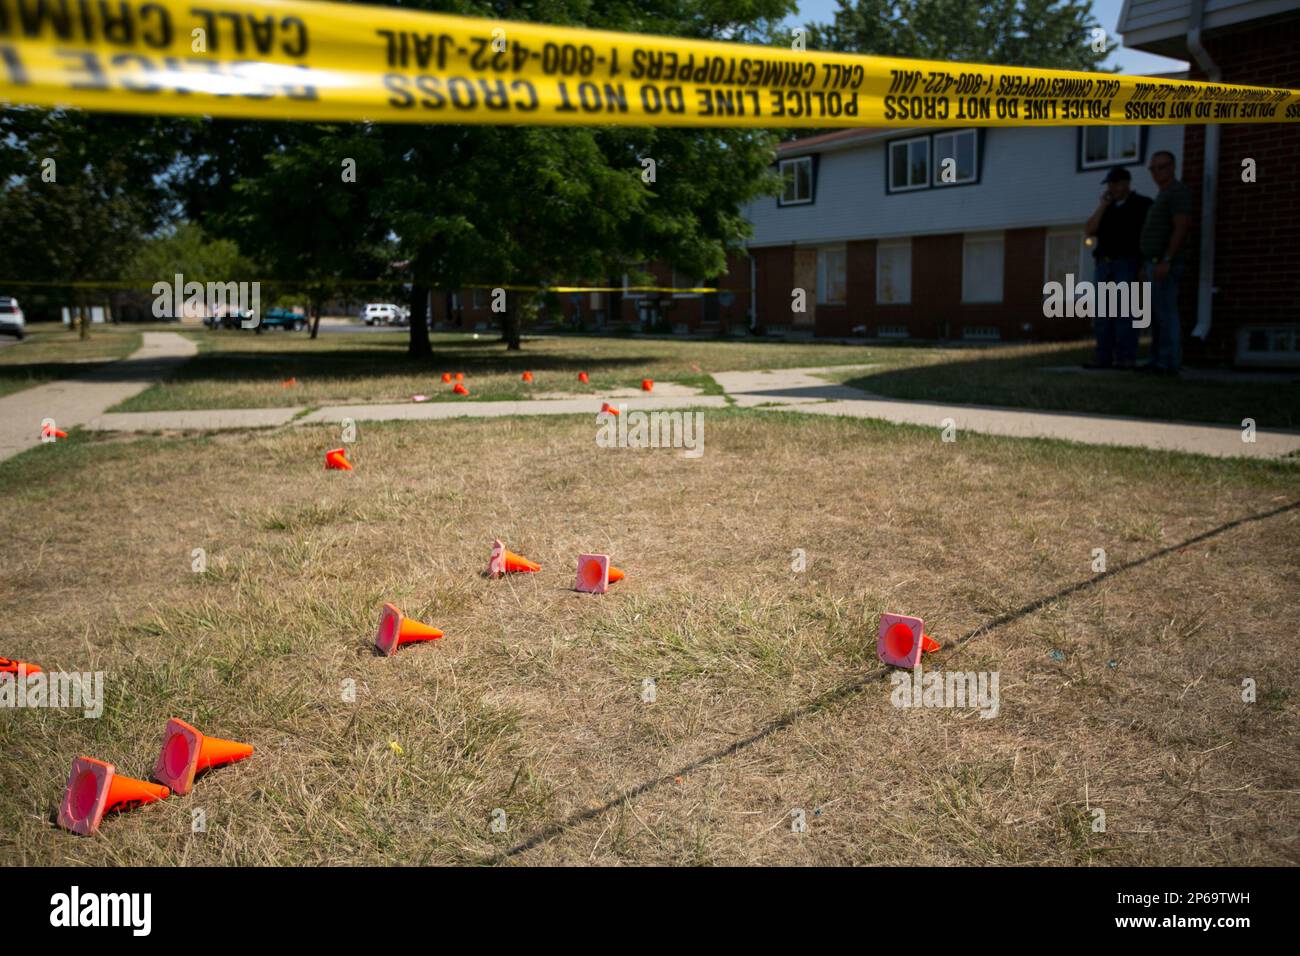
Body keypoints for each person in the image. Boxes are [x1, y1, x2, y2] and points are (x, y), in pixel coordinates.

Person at [1084, 166, 1151, 369]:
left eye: (1115, 184)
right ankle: (1103, 358)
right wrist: (1103, 206)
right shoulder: (1108, 207)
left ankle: (1125, 358)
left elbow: (1150, 237)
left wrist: (1144, 265)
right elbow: (1089, 230)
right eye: (1109, 185)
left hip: (1127, 262)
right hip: (1104, 263)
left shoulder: (1142, 204)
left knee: (1124, 312)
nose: (1111, 188)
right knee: (1102, 314)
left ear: (1126, 183)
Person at [1139, 150, 1195, 374]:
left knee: (1166, 313)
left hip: (1165, 263)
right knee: (1156, 315)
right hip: (1153, 263)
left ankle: (1168, 362)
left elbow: (1181, 227)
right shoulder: (1162, 195)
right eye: (1153, 168)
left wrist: (1167, 259)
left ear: (1172, 167)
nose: (1156, 172)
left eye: (1161, 167)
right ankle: (1156, 360)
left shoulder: (1178, 192)